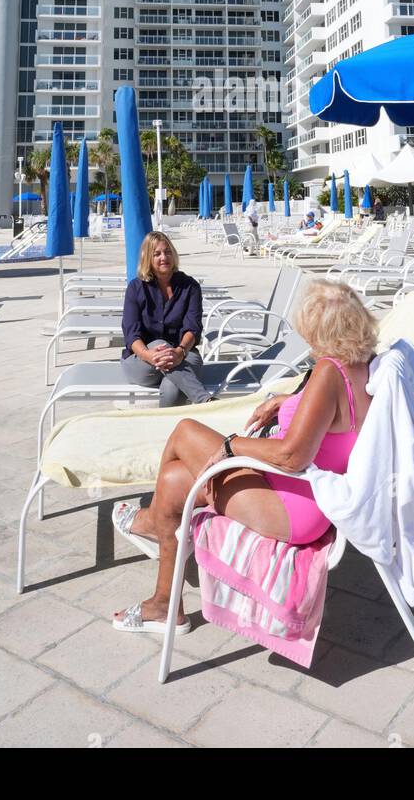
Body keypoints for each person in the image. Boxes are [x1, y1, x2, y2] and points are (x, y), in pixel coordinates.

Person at [111, 280, 377, 634]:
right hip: (303, 493)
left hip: (294, 502)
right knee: (175, 480)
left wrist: (234, 445)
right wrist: (289, 402)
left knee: (185, 430)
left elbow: (290, 455)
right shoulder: (362, 365)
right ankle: (165, 605)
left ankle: (151, 523)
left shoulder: (330, 371)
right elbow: (335, 418)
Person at [120, 232, 213, 407]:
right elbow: (131, 334)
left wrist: (180, 352)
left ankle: (168, 431)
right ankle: (206, 401)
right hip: (141, 361)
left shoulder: (190, 286)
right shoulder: (136, 288)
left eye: (168, 252)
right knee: (159, 343)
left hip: (185, 354)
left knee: (173, 386)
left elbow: (193, 328)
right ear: (148, 258)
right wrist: (149, 354)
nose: (164, 257)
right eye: (157, 254)